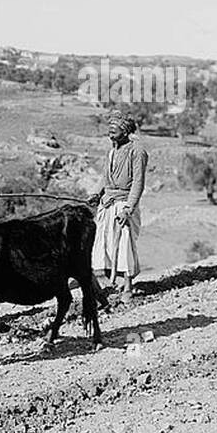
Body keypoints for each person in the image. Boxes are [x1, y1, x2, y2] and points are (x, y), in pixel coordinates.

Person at [91, 113, 148, 303]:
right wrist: (96, 194)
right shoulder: (111, 151)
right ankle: (111, 284)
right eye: (110, 129)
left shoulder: (137, 151)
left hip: (124, 204)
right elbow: (104, 178)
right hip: (107, 203)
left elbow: (138, 183)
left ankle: (128, 288)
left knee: (124, 246)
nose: (111, 132)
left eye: (115, 129)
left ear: (125, 131)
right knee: (105, 244)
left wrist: (128, 209)